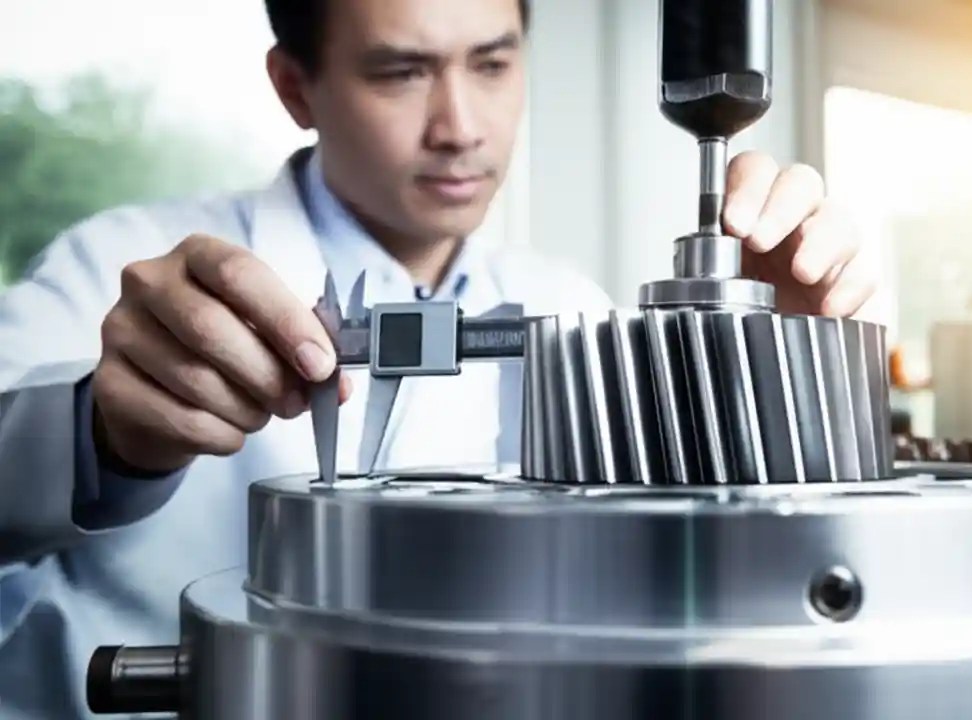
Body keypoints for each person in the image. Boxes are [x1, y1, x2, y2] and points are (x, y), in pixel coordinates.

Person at [0, 0, 876, 716]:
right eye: (401, 72)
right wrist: (98, 432)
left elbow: (710, 571)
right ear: (295, 86)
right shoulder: (116, 265)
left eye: (493, 64)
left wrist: (772, 367)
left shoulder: (567, 301)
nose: (460, 127)